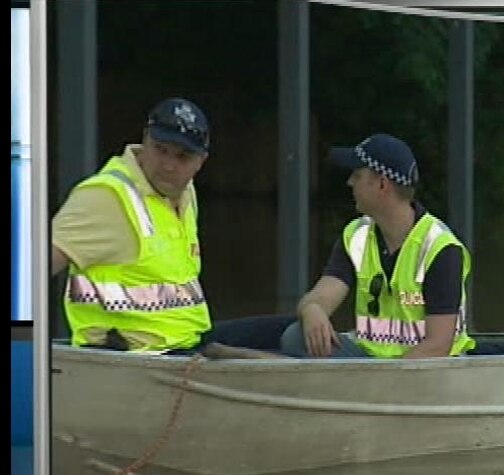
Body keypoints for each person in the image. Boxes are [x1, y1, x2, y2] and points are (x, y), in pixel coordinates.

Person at [51, 97, 292, 356]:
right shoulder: (105, 197)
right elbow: (28, 271)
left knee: (297, 332)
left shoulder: (185, 193)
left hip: (187, 341)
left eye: (182, 157)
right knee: (265, 359)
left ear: (201, 161)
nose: (168, 165)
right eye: (160, 149)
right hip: (133, 357)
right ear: (145, 139)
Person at [280, 133, 474, 359]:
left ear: (382, 184)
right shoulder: (357, 235)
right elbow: (322, 295)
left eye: (357, 175)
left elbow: (438, 345)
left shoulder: (440, 249)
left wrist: (384, 382)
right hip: (370, 360)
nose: (350, 182)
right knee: (295, 336)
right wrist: (312, 309)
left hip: (427, 371)